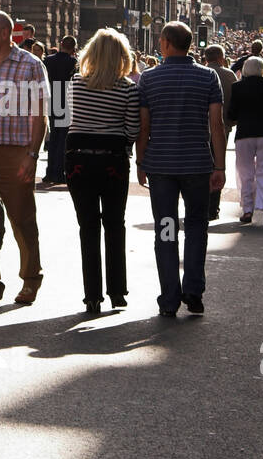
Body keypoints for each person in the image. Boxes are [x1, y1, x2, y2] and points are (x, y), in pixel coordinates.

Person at [136, 21, 226, 315]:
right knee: (198, 226)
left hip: (161, 166)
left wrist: (140, 161)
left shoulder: (149, 79)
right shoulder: (207, 77)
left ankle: (170, 297)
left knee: (166, 229)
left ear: (165, 43)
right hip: (197, 164)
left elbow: (144, 126)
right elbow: (217, 125)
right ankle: (194, 291)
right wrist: (220, 166)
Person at [0, 10, 49, 305]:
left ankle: (31, 279)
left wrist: (32, 154)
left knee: (21, 220)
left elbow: (41, 114)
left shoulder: (31, 64)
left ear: (5, 34)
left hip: (16, 151)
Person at [66, 29, 140, 312]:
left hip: (78, 159)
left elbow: (70, 117)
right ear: (122, 57)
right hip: (112, 160)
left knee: (87, 226)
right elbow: (132, 129)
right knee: (114, 224)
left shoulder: (75, 83)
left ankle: (92, 295)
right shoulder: (128, 89)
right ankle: (117, 290)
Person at [226, 55, 263, 225]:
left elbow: (232, 114)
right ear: (262, 69)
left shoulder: (237, 87)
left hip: (245, 134)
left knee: (245, 172)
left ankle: (248, 210)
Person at [204, 45, 238, 220]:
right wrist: (232, 122)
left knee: (203, 168)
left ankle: (202, 205)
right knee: (218, 165)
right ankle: (213, 208)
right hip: (223, 127)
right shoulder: (229, 75)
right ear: (220, 57)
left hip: (202, 129)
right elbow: (234, 101)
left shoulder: (201, 73)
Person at [43, 35, 79, 186]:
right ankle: (58, 172)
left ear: (61, 44)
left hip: (51, 98)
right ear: (73, 48)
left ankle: (50, 171)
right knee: (62, 138)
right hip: (65, 99)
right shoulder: (73, 62)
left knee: (53, 138)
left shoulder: (48, 60)